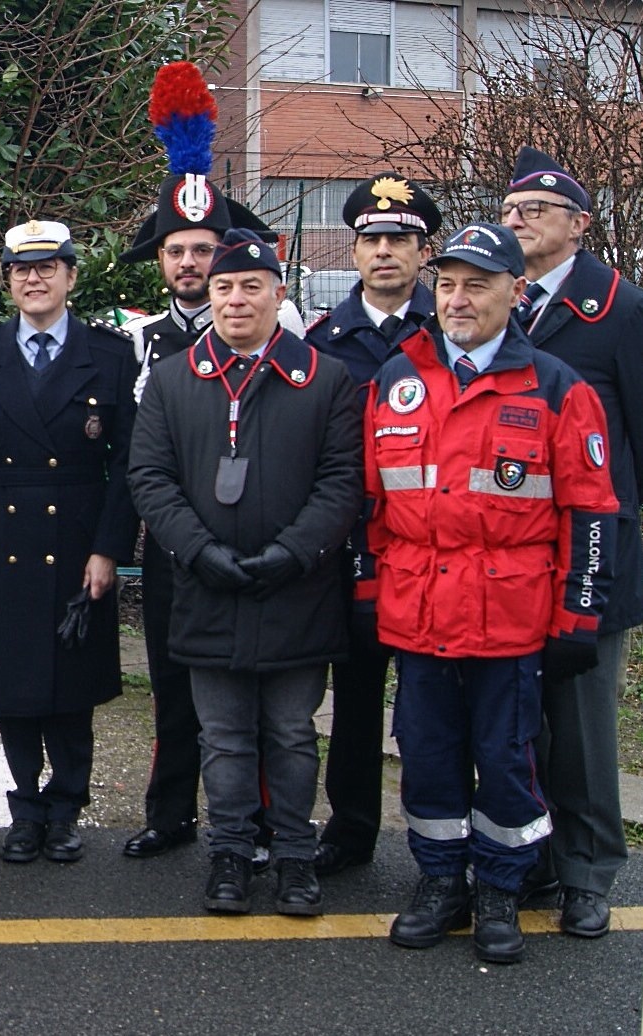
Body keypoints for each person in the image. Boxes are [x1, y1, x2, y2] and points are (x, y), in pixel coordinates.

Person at [363, 222, 616, 965]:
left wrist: (579, 615)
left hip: (510, 620)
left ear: (515, 292)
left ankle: (501, 889)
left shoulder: (554, 387)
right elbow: (374, 507)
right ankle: (442, 883)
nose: (458, 299)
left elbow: (591, 512)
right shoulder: (397, 380)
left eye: (477, 284)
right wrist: (371, 592)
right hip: (418, 613)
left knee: (506, 761)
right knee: (428, 756)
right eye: (446, 284)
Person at [128, 228, 362, 917]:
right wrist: (199, 552)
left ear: (278, 294)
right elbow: (150, 476)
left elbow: (342, 481)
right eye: (225, 287)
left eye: (251, 287)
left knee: (291, 734)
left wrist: (292, 554)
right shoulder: (172, 381)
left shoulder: (325, 378)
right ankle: (228, 854)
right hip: (207, 588)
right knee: (224, 737)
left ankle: (293, 856)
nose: (235, 300)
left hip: (299, 589)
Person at [117, 152, 299, 865]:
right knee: (172, 684)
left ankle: (252, 823)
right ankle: (170, 812)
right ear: (159, 260)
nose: (191, 263)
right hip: (173, 547)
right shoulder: (137, 342)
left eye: (204, 249)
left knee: (254, 692)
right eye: (177, 251)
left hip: (259, 541)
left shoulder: (283, 337)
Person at [0, 220, 138, 864]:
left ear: (70, 275)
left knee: (71, 687)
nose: (32, 280)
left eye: (46, 269)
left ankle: (65, 808)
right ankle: (24, 807)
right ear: (7, 281)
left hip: (75, 540)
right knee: (11, 682)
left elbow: (125, 465)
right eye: (19, 271)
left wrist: (109, 548)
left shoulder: (111, 354)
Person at [500, 147, 643, 939]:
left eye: (538, 212)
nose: (518, 221)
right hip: (519, 553)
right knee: (529, 722)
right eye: (513, 209)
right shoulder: (500, 302)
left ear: (580, 226)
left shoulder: (619, 308)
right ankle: (541, 860)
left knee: (585, 727)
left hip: (594, 555)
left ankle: (590, 873)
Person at [299, 173, 441, 877]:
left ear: (424, 253)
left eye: (401, 240)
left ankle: (438, 841)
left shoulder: (447, 337)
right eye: (373, 240)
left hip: (429, 558)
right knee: (352, 707)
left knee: (430, 712)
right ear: (354, 253)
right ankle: (351, 832)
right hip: (349, 555)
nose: (386, 251)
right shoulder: (324, 345)